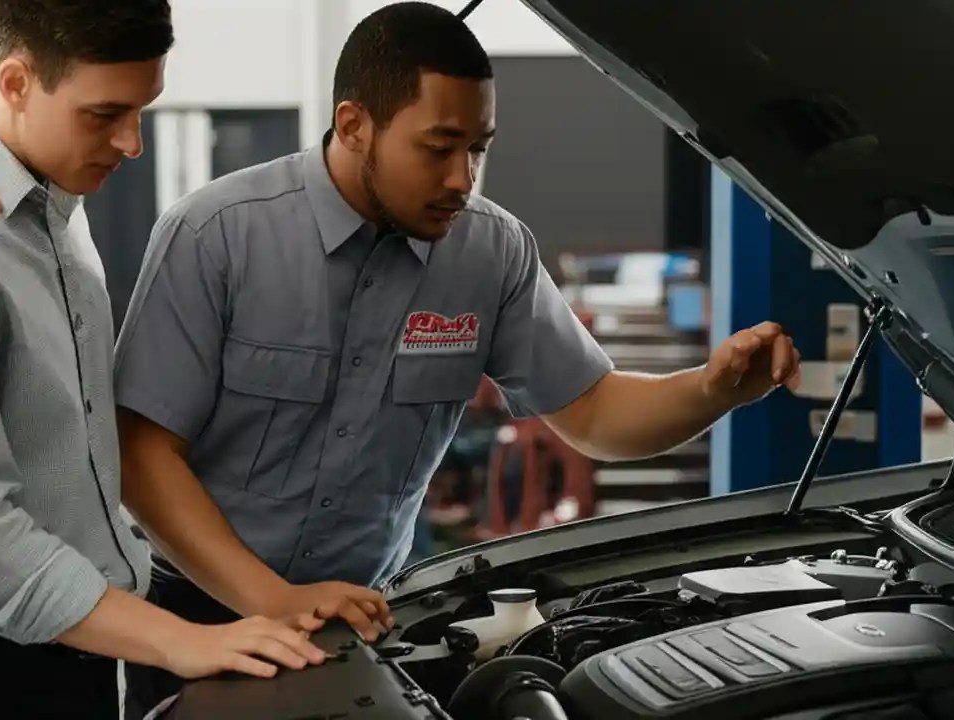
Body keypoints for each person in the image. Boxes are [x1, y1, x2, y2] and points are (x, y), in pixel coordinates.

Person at [115, 1, 802, 713]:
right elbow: (141, 454)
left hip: (360, 622)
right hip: (192, 616)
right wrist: (276, 603)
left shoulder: (490, 253)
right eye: (438, 147)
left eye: (478, 147)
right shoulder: (218, 235)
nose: (462, 178)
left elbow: (596, 413)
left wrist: (713, 389)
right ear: (354, 125)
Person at [0, 2, 325, 718]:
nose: (131, 142)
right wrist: (177, 642)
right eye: (105, 114)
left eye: (142, 110)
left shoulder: (58, 209)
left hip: (77, 645)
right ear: (17, 82)